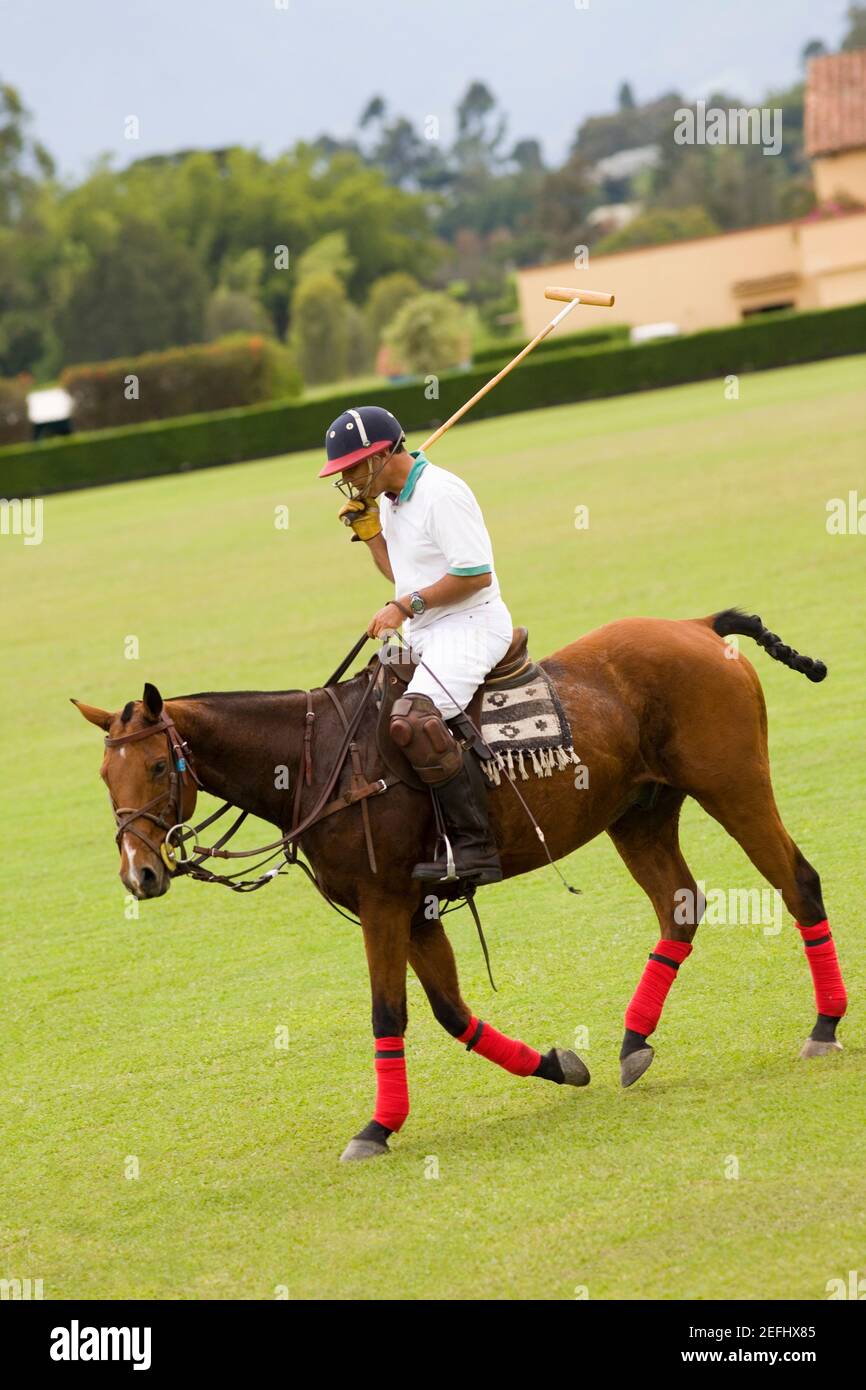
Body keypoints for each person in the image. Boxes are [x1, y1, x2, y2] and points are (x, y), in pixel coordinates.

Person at [319, 404, 513, 884]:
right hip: (427, 632)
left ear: (382, 455)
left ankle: (474, 847)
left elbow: (474, 575)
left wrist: (405, 607)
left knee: (414, 719)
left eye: (351, 466)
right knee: (369, 714)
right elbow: (401, 574)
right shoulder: (390, 500)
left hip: (472, 625)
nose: (345, 477)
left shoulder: (442, 493)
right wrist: (369, 535)